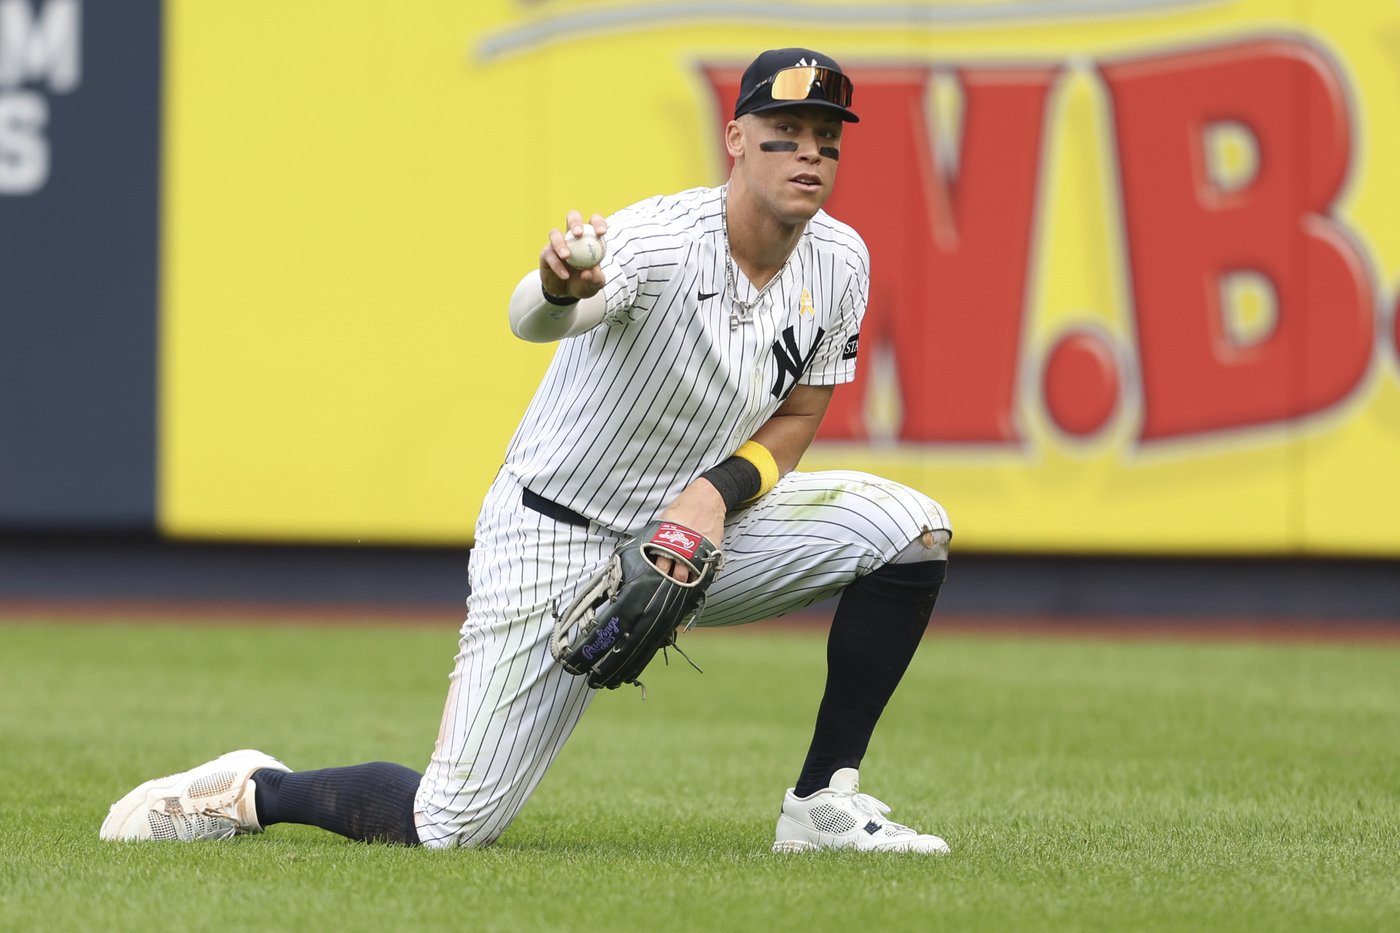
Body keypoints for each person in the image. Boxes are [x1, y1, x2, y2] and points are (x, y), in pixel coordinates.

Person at [99, 47, 954, 854]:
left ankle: (820, 804)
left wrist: (716, 492)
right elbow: (536, 316)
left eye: (826, 141)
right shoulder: (658, 241)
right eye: (785, 136)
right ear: (735, 140)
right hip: (557, 533)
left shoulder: (842, 259)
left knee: (910, 528)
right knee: (450, 825)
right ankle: (251, 791)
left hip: (700, 531)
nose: (810, 156)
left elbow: (802, 412)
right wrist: (557, 285)